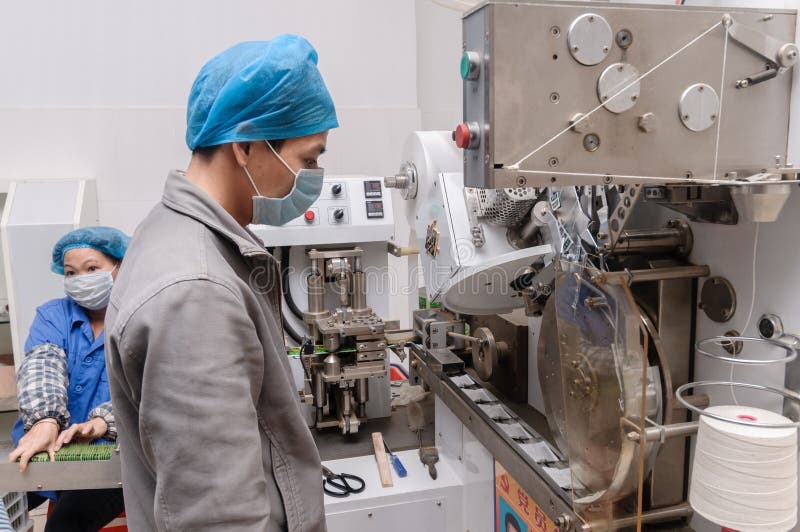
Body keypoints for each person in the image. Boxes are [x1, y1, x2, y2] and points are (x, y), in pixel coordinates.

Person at [105, 35, 337, 531]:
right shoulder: (195, 293)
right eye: (309, 159)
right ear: (247, 146)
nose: (314, 177)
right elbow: (218, 516)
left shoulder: (173, 233)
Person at [8, 226, 129, 531]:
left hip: (113, 456)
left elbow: (148, 388)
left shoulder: (139, 315)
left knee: (65, 524)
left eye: (92, 269)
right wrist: (44, 422)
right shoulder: (53, 315)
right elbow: (41, 367)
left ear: (120, 266)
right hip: (44, 444)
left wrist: (103, 422)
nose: (81, 280)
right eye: (71, 273)